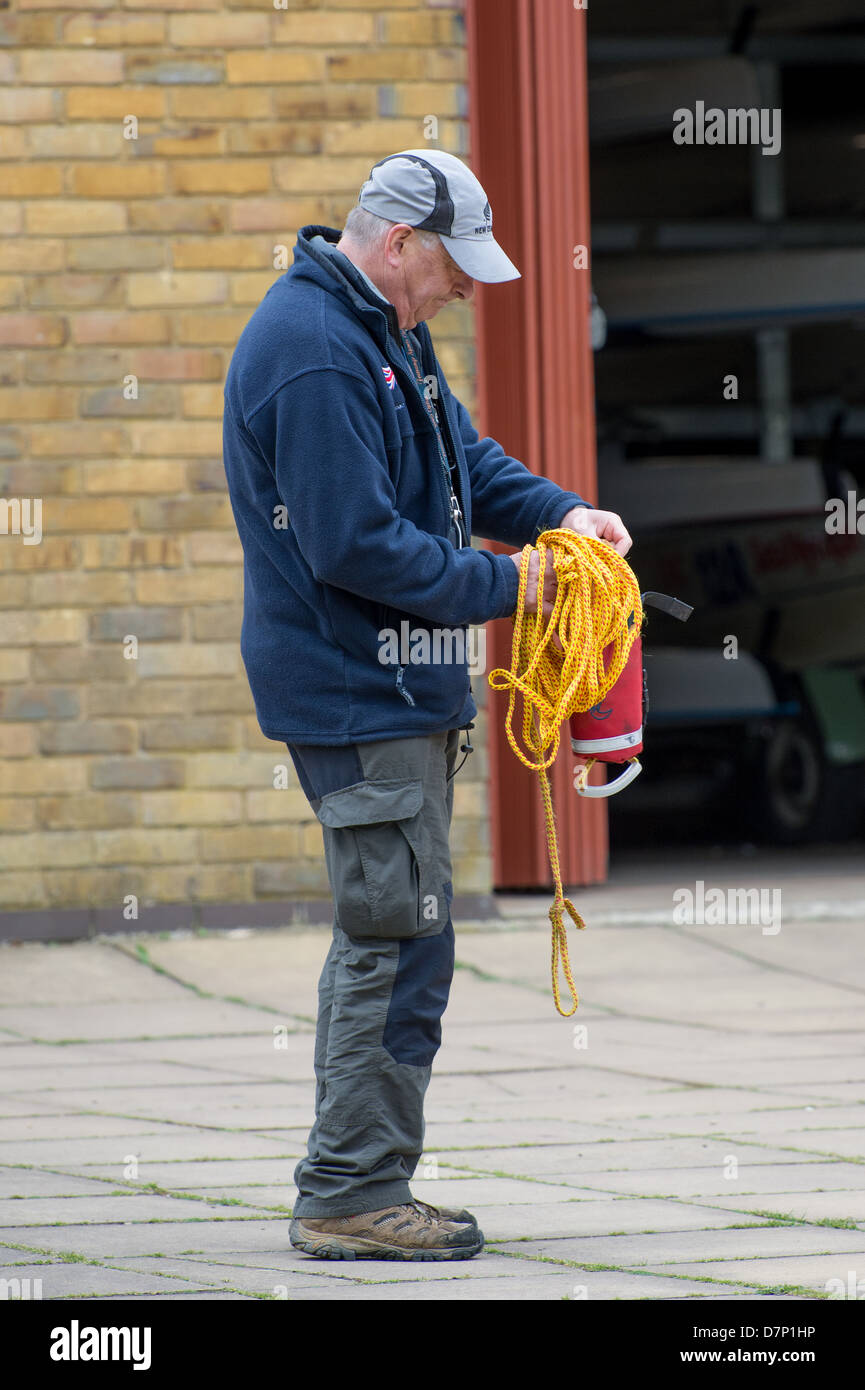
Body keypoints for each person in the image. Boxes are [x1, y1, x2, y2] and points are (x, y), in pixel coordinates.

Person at [222, 149, 631, 1261]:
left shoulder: (381, 328)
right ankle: (351, 1191)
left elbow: (462, 465)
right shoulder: (313, 352)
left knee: (407, 937)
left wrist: (563, 511)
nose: (466, 288)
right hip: (358, 694)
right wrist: (517, 584)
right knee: (392, 940)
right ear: (398, 242)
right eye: (455, 266)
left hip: (395, 687)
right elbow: (353, 545)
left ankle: (360, 1177)